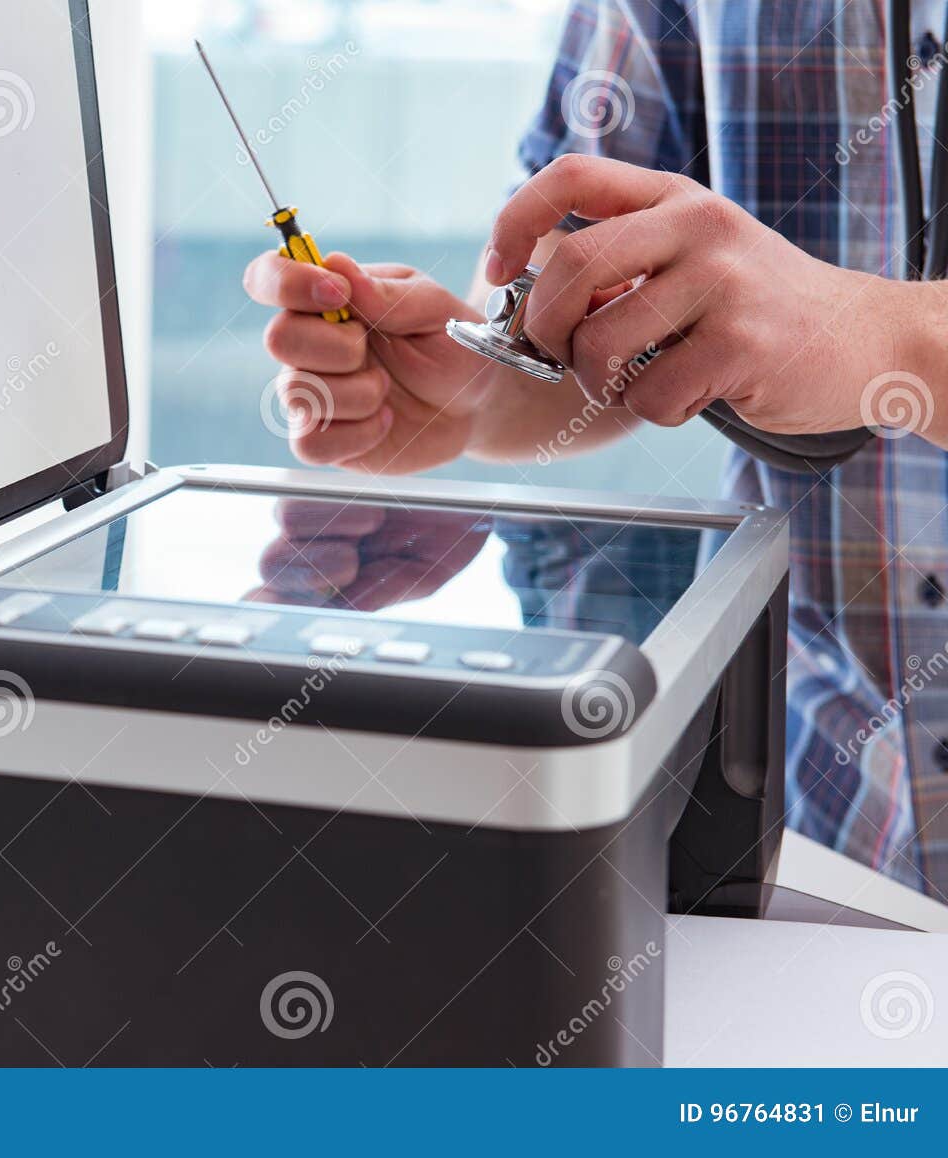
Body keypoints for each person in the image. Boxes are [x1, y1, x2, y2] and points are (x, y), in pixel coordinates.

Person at [243, 0, 948, 897]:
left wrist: (889, 339)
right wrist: (462, 399)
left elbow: (842, 332)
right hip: (826, 836)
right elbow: (583, 317)